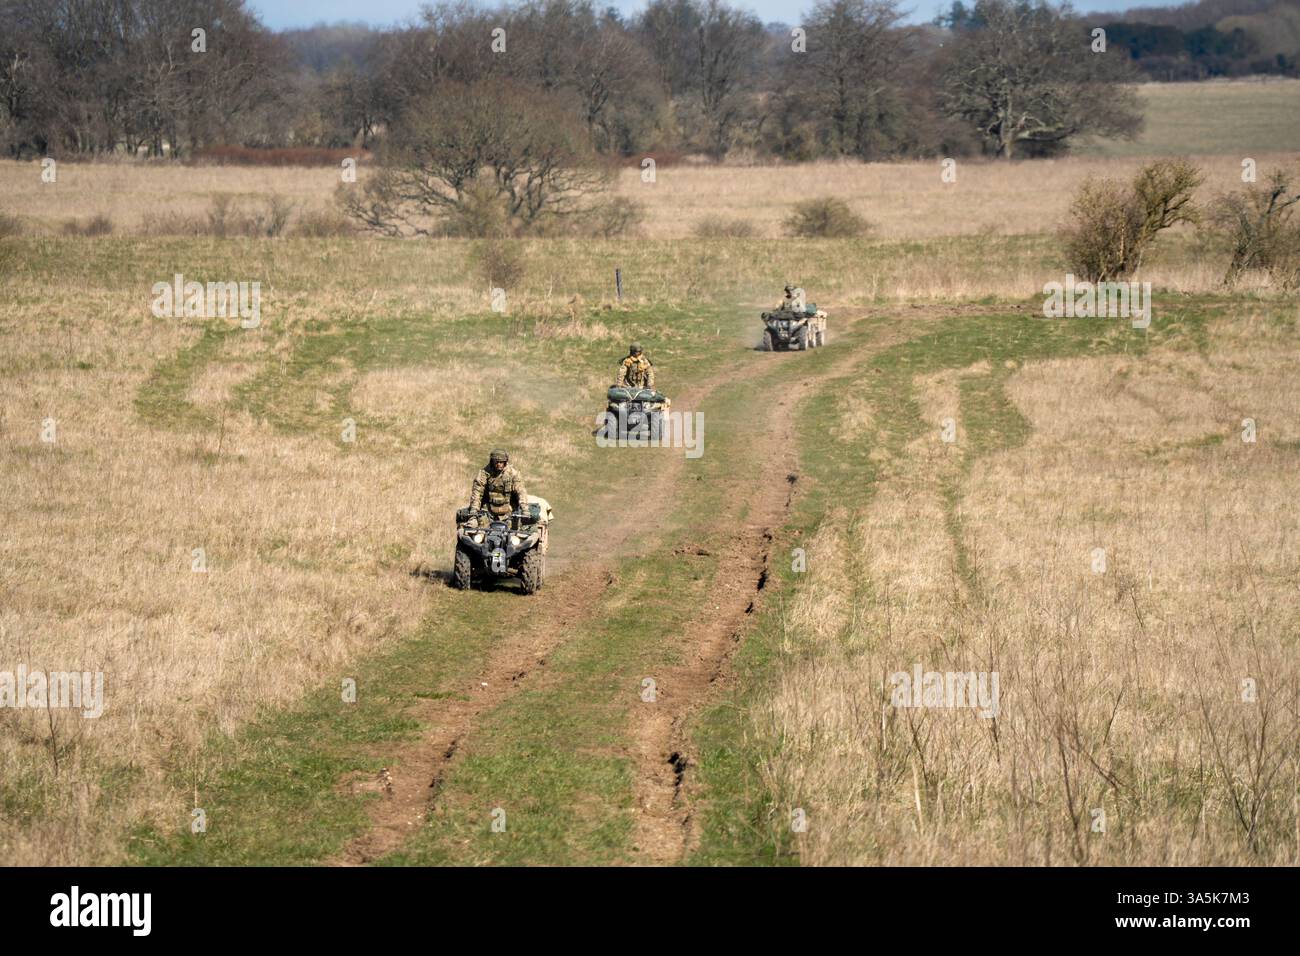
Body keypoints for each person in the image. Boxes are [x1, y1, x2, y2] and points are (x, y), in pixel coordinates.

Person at [468, 449, 529, 527]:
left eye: (501, 462)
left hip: (509, 511)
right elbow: (477, 493)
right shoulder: (484, 474)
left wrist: (525, 509)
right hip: (488, 511)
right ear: (492, 462)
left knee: (518, 531)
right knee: (475, 529)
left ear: (505, 462)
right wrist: (474, 510)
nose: (499, 464)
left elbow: (521, 491)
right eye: (496, 462)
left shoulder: (513, 474)